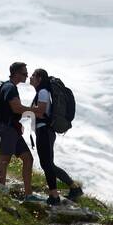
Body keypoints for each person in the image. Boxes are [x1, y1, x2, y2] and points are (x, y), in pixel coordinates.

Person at [29, 68, 83, 207]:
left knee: (47, 164)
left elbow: (40, 112)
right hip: (45, 131)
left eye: (34, 75)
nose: (31, 77)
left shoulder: (42, 92)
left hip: (45, 131)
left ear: (40, 78)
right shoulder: (41, 92)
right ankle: (67, 190)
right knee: (47, 164)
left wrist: (23, 109)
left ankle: (59, 193)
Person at [0, 62, 35, 200]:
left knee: (28, 158)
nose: (27, 76)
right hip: (8, 129)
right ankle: (0, 191)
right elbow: (16, 108)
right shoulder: (9, 88)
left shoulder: (9, 87)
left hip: (12, 129)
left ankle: (28, 194)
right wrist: (34, 111)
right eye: (24, 73)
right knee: (4, 159)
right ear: (16, 73)